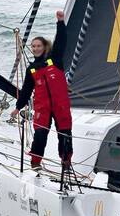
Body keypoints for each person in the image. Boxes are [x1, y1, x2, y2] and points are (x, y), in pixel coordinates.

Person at [9, 11, 73, 170]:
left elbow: (62, 41)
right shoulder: (31, 69)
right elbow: (26, 90)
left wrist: (60, 22)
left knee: (64, 135)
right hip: (42, 107)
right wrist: (18, 107)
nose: (36, 48)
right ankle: (35, 164)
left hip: (60, 105)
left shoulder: (55, 60)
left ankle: (66, 163)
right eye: (33, 46)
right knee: (40, 136)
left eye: (39, 46)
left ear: (44, 47)